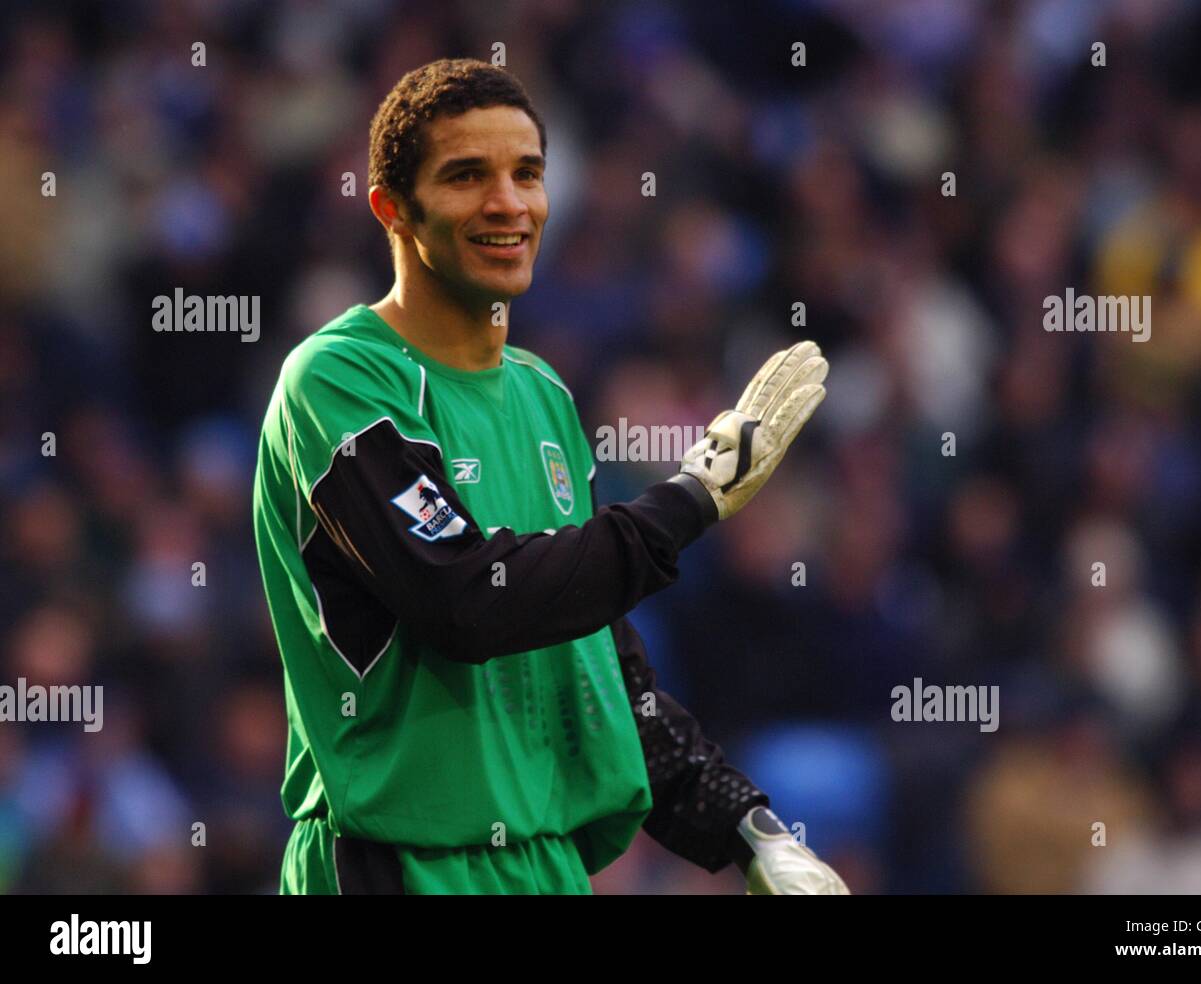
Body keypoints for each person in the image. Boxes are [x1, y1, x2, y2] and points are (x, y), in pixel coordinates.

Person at [251, 57, 844, 895]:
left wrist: (751, 831)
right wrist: (691, 499)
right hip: (393, 865)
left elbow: (599, 662)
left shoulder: (542, 396)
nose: (508, 203)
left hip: (546, 867)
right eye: (466, 176)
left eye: (526, 174)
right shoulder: (340, 381)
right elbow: (466, 596)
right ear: (392, 208)